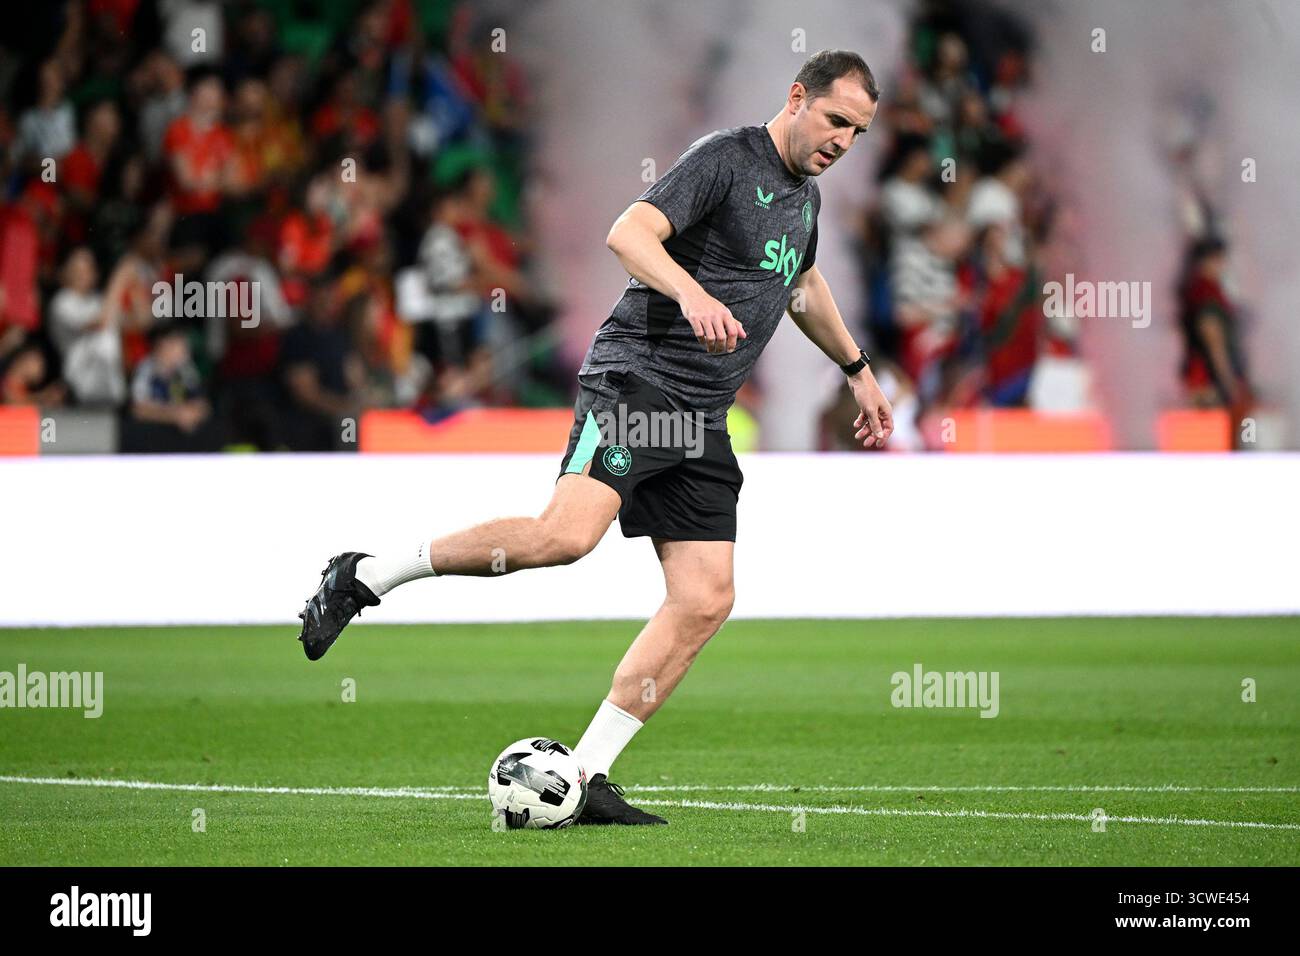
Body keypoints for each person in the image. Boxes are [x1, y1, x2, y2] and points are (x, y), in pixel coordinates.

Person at [296, 50, 895, 824]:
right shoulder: (725, 159)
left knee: (706, 598)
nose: (844, 140)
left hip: (701, 414)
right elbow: (630, 232)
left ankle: (584, 776)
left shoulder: (803, 200)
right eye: (837, 119)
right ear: (797, 97)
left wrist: (858, 369)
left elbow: (803, 284)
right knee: (564, 537)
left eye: (858, 131)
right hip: (638, 384)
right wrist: (691, 294)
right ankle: (365, 575)